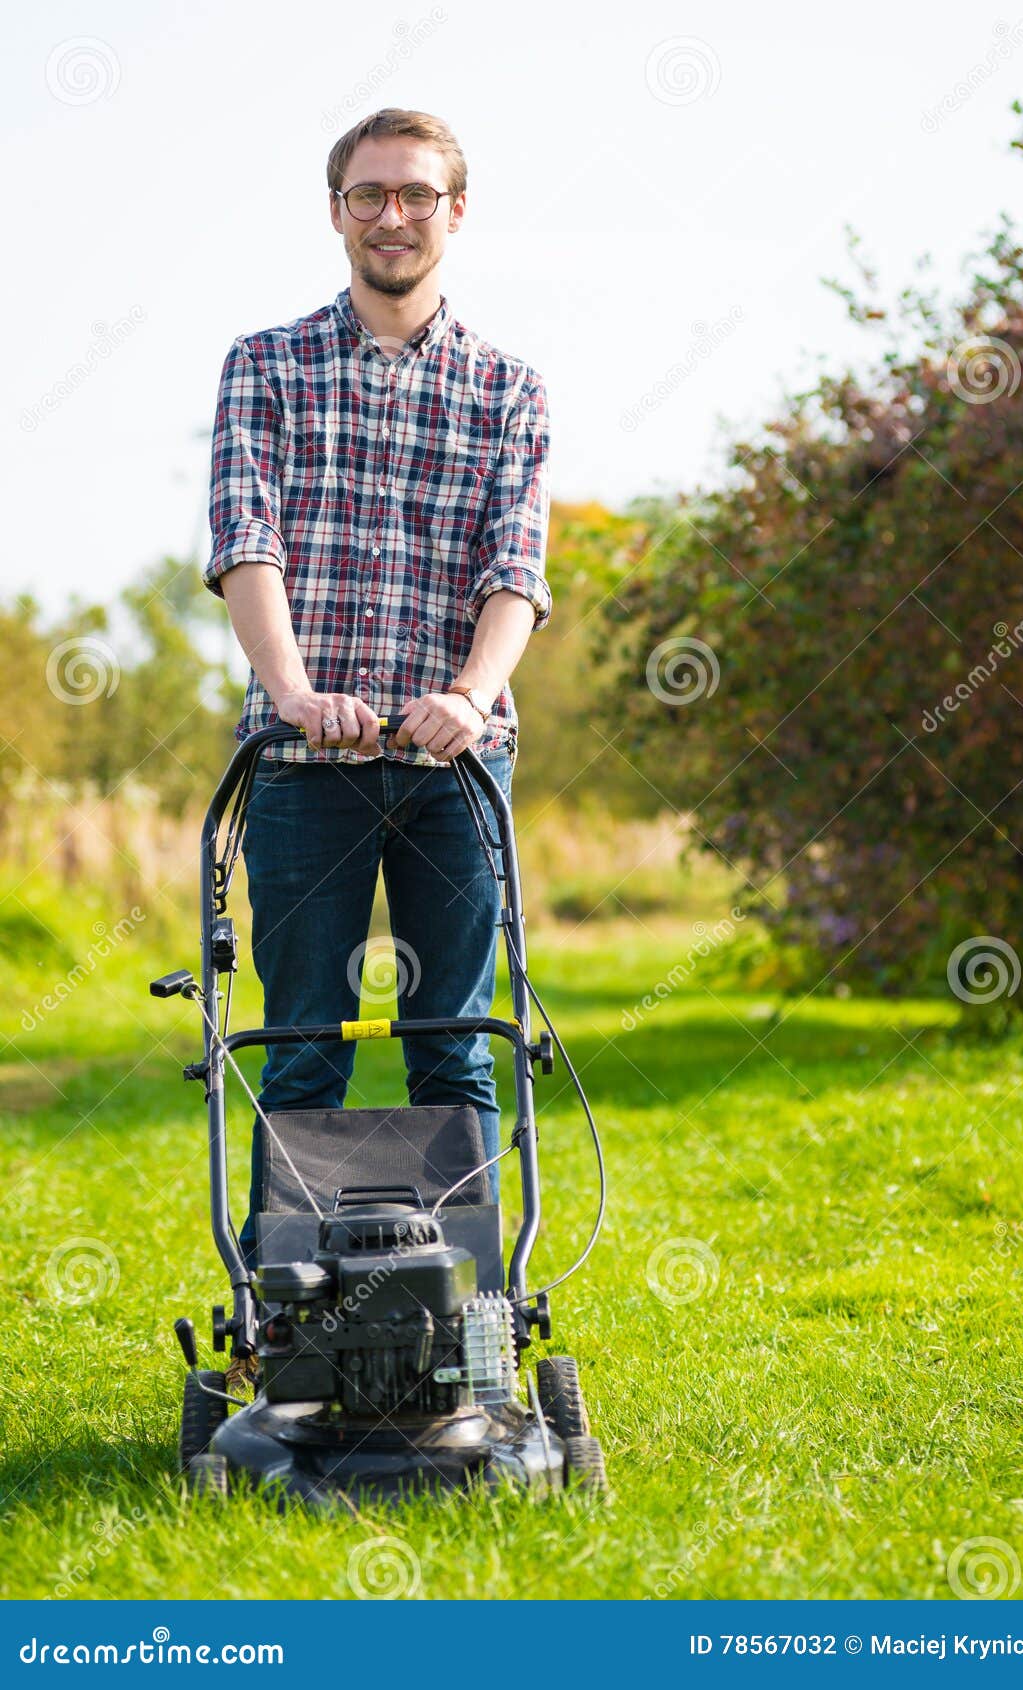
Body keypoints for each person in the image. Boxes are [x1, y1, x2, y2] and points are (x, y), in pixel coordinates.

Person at [203, 108, 551, 1376]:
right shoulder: (266, 364)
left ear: (456, 213)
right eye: (367, 196)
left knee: (456, 1038)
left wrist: (469, 691)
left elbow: (516, 567)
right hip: (306, 770)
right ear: (337, 211)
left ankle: (471, 1327)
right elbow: (248, 539)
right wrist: (292, 689)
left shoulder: (509, 386)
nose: (390, 216)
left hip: (456, 767)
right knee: (298, 1034)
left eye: (415, 195)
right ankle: (285, 1327)